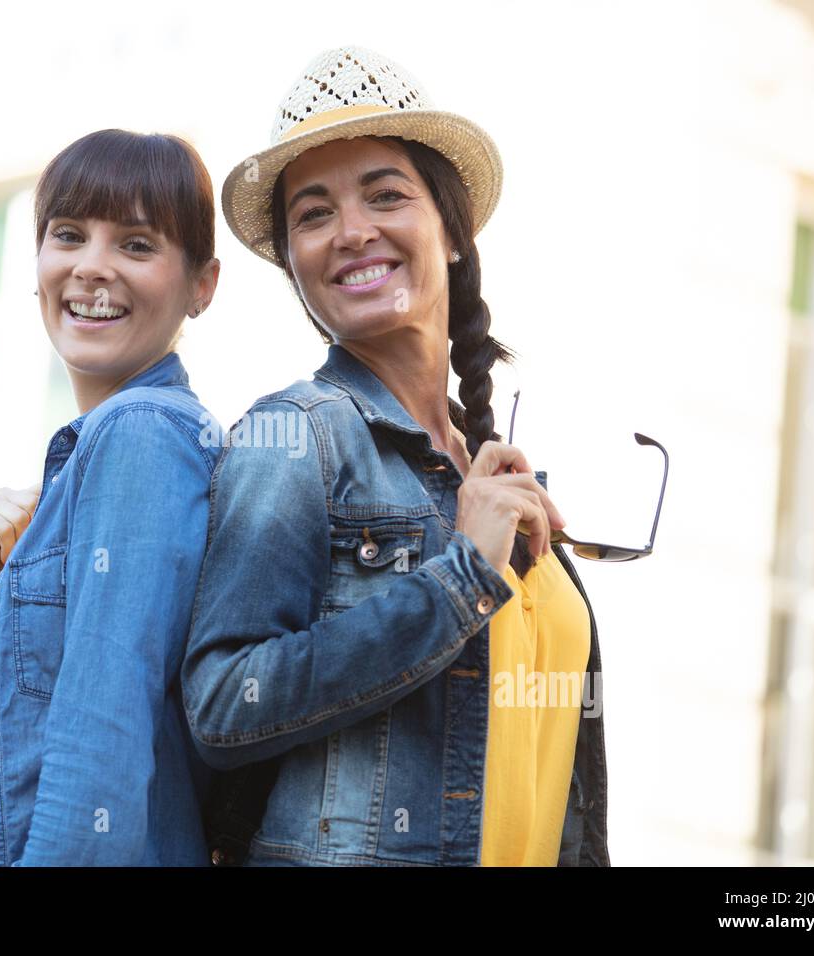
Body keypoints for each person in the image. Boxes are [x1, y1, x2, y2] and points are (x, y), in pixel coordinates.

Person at [183, 46, 610, 866]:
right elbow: (221, 705)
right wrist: (461, 579)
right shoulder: (298, 435)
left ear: (452, 231)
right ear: (296, 268)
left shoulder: (486, 472)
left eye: (385, 195)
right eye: (313, 215)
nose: (351, 232)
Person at [0, 128, 223, 865]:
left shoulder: (141, 431)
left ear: (202, 285)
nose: (93, 268)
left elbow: (100, 746)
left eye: (137, 245)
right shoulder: (96, 454)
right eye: (69, 235)